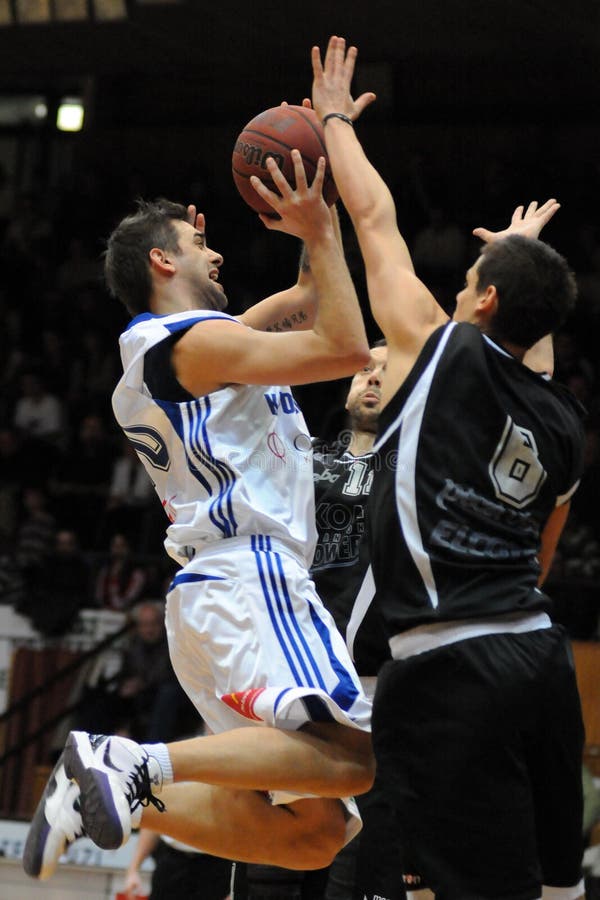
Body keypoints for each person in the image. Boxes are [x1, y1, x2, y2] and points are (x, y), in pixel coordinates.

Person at [24, 149, 374, 882]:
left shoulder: (192, 350)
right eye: (198, 244)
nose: (215, 252)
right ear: (160, 260)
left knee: (318, 830)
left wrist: (320, 199)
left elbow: (308, 298)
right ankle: (124, 761)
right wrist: (322, 231)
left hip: (214, 594)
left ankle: (132, 792)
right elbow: (343, 346)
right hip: (250, 577)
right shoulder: (187, 346)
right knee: (351, 759)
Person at [311, 35, 586, 900]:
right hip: (541, 658)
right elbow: (544, 551)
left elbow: (376, 223)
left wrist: (332, 122)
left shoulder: (442, 352)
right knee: (547, 883)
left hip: (447, 667)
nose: (461, 287)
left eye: (473, 276)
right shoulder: (563, 418)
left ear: (487, 301)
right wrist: (521, 255)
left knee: (444, 883)